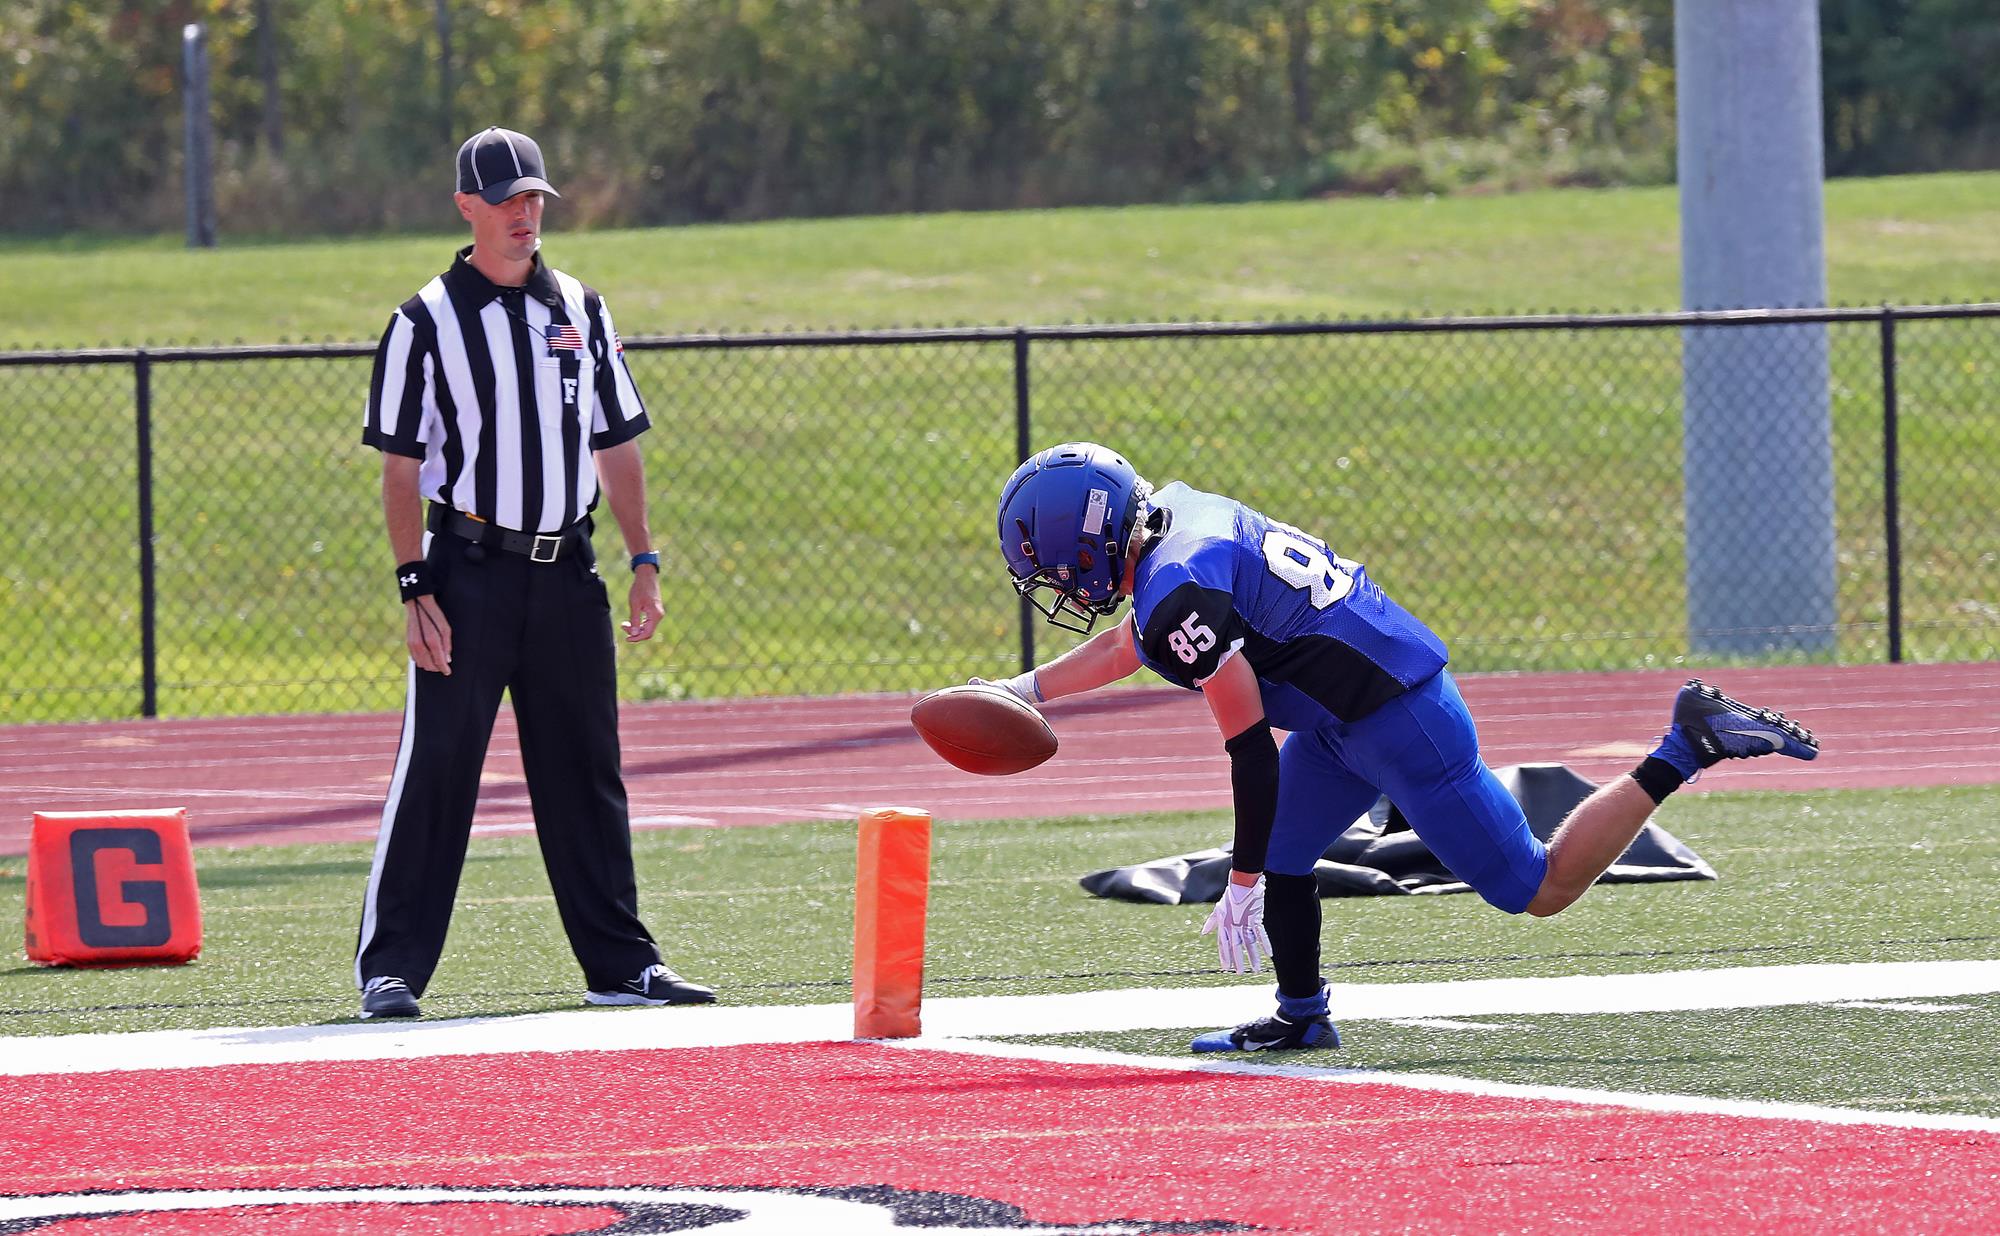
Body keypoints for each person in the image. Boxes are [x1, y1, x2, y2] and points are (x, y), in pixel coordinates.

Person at [979, 442, 1818, 1052]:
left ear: (1087, 542)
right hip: (1339, 718)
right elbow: (1128, 644)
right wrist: (1021, 691)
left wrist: (1238, 881)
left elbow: (1249, 747)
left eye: (1053, 568)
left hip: (1398, 721)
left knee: (1539, 888)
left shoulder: (1178, 589)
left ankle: (1686, 742)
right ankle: (1302, 1015)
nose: (1055, 587)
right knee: (1287, 855)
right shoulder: (1178, 522)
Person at [353, 126, 713, 1019]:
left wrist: (643, 556)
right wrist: (413, 585)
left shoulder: (582, 308)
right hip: (467, 570)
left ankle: (621, 965)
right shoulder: (424, 321)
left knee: (587, 769)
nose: (524, 215)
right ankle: (390, 969)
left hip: (567, 573)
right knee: (438, 768)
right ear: (466, 207)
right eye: (505, 200)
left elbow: (616, 441)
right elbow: (400, 465)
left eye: (533, 199)